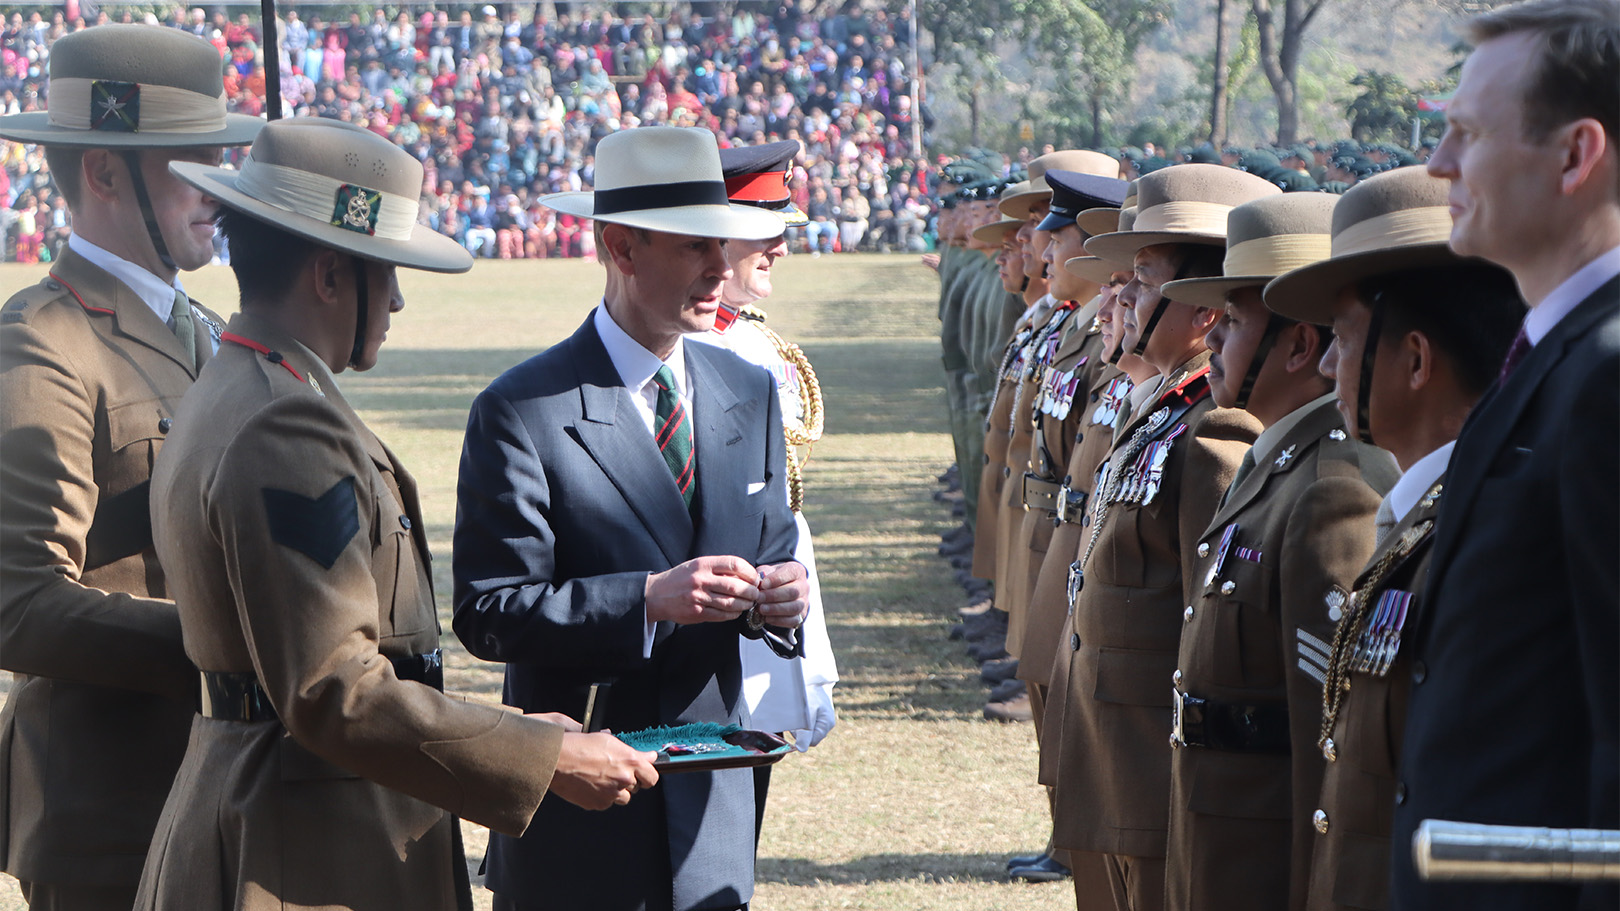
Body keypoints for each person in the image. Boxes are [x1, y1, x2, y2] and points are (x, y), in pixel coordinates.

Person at [133, 116, 655, 911]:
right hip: (304, 845)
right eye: (390, 271)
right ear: (331, 276)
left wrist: (501, 725)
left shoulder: (236, 385)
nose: (401, 300)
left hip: (275, 813)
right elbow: (333, 683)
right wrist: (540, 755)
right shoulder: (287, 427)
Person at [452, 126, 811, 911]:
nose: (722, 270)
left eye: (724, 244)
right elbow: (487, 612)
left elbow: (775, 547)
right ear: (621, 247)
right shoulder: (522, 409)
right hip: (586, 799)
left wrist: (784, 595)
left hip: (716, 797)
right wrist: (645, 598)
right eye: (693, 248)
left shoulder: (746, 393)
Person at [0, 25, 262, 911]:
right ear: (105, 174)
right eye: (193, 161)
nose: (221, 188)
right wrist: (235, 650)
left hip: (222, 798)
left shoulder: (214, 329)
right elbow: (19, 603)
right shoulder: (45, 344)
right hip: (113, 821)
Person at [1390, 2, 1619, 908]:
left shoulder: (1605, 380)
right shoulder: (1554, 359)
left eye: (1467, 134)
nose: (1438, 163)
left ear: (1575, 156)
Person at [1263, 165, 1524, 911]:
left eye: (1343, 339)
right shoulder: (1424, 522)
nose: (1324, 363)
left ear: (1413, 360)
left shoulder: (1484, 541)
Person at [1157, 191, 1398, 911]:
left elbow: (1324, 755)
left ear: (1297, 346)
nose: (1212, 343)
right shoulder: (1274, 463)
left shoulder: (1333, 490)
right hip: (1217, 837)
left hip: (1262, 865)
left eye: (1232, 323)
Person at [1050, 163, 1277, 911]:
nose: (1115, 296)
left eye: (1140, 281)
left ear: (1204, 314)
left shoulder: (1211, 429)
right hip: (1110, 756)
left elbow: (1208, 625)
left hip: (1154, 773)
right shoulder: (1155, 408)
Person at [687, 139, 839, 844]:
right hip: (720, 598)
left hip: (775, 587)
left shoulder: (750, 340)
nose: (779, 246)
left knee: (744, 796)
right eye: (761, 234)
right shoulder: (698, 347)